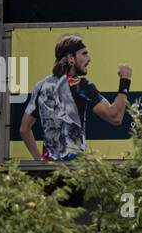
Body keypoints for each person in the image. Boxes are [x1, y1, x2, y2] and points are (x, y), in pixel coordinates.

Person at [18, 34, 131, 162]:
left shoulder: (41, 86)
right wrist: (125, 81)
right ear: (71, 58)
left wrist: (39, 161)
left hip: (49, 170)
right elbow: (115, 117)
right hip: (74, 169)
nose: (89, 59)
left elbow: (24, 129)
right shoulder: (80, 85)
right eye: (84, 54)